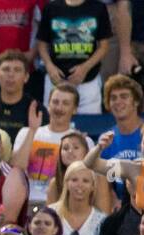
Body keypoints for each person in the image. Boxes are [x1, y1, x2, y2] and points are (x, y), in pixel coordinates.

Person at [6, 84, 89, 222]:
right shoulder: (27, 132)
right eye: (55, 102)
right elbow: (17, 166)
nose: (59, 108)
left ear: (74, 109)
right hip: (28, 203)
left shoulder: (82, 141)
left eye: (66, 103)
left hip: (64, 205)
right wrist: (33, 130)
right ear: (48, 105)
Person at [37, 0, 113, 114]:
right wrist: (49, 66)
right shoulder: (51, 7)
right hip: (56, 80)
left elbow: (104, 46)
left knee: (89, 127)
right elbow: (42, 44)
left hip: (88, 80)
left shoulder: (98, 8)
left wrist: (85, 68)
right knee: (52, 125)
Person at [87, 121, 144, 216]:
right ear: (140, 146)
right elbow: (90, 164)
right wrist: (99, 147)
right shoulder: (133, 169)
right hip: (143, 229)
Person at [0, 51, 47, 145]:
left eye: (17, 70)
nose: (11, 75)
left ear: (26, 76)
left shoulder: (38, 110)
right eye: (6, 69)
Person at [52, 160, 107, 235]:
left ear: (93, 186)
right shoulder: (51, 213)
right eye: (74, 180)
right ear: (66, 183)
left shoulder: (102, 221)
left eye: (85, 181)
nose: (79, 185)